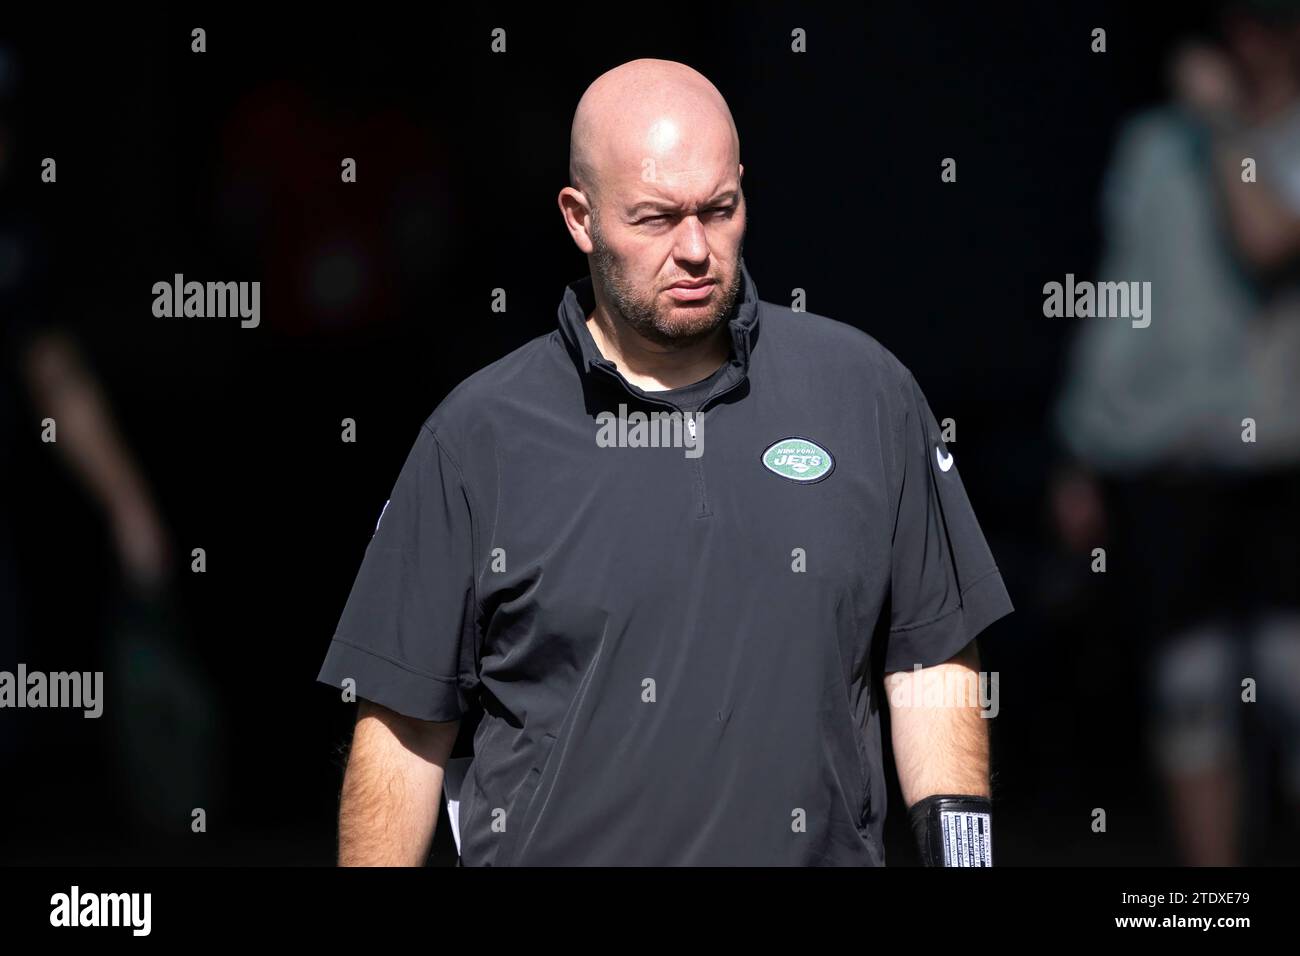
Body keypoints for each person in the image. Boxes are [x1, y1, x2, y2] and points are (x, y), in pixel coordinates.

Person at [317, 58, 1013, 866]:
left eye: (719, 209)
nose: (695, 249)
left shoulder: (865, 396)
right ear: (579, 218)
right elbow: (402, 731)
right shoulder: (478, 438)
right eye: (654, 218)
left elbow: (932, 661)